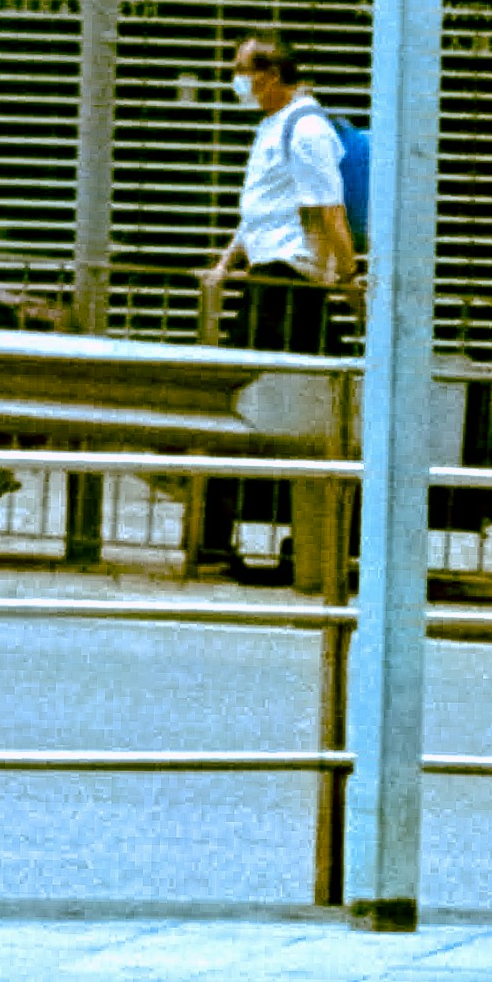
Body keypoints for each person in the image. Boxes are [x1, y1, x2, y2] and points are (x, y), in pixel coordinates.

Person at [200, 29, 358, 581]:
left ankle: (306, 539)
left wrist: (350, 277)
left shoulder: (307, 129)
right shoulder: (273, 126)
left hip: (290, 287)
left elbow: (329, 209)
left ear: (269, 76)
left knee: (296, 414)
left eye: (241, 70)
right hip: (269, 281)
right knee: (261, 409)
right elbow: (260, 209)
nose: (236, 81)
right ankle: (226, 538)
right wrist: (225, 265)